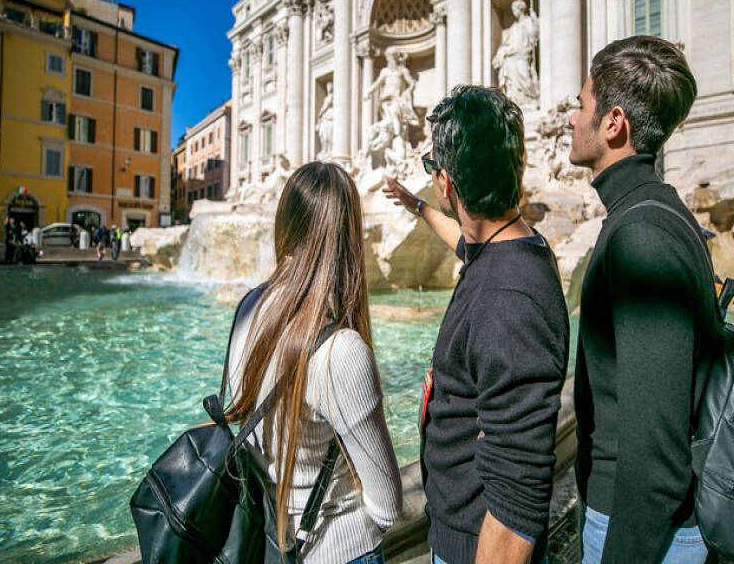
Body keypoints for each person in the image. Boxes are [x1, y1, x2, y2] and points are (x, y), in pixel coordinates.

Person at [383, 85, 569, 564]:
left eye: (433, 173)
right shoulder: (512, 247)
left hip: (473, 540)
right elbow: (465, 243)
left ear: (446, 183)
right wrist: (417, 206)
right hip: (461, 523)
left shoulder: (507, 299)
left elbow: (515, 505)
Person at [568, 35, 715, 563]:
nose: (569, 117)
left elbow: (655, 453)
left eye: (580, 105)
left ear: (613, 123)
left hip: (639, 532)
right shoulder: (651, 213)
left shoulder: (642, 236)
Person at [225, 161, 402, 563]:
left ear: (285, 224)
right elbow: (388, 506)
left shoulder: (247, 307)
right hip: (337, 549)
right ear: (348, 236)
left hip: (270, 538)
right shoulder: (341, 351)